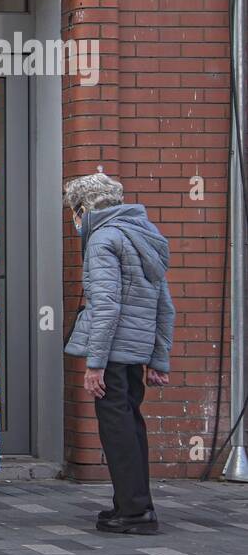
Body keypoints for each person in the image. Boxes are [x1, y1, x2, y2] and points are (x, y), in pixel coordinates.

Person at [64, 172, 173, 535]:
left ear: (84, 208)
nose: (73, 219)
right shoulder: (145, 235)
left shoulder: (103, 239)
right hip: (135, 350)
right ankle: (135, 503)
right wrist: (158, 358)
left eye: (73, 211)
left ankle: (134, 512)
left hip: (111, 351)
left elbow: (105, 306)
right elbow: (165, 305)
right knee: (132, 424)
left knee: (116, 429)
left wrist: (94, 364)